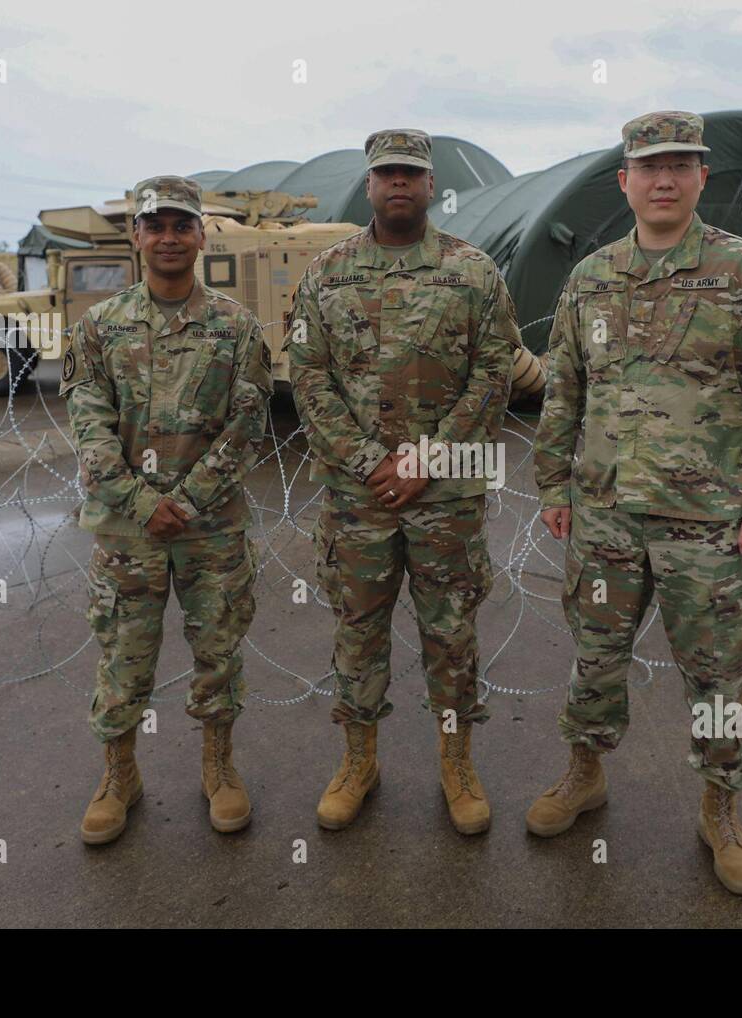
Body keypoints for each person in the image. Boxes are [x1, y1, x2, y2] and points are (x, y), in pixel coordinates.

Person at [527, 112, 742, 895]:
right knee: (594, 656)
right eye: (648, 166)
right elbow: (563, 390)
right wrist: (552, 484)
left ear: (701, 179)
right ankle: (584, 773)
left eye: (680, 165)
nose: (663, 179)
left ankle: (721, 810)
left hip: (710, 524)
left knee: (719, 674)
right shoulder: (591, 277)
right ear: (623, 181)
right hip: (604, 518)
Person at [290, 129, 523, 835]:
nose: (399, 184)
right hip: (359, 503)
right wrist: (369, 460)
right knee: (358, 633)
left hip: (445, 500)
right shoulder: (327, 273)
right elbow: (308, 376)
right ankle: (359, 760)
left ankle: (457, 764)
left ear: (430, 186)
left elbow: (493, 371)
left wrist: (430, 458)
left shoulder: (473, 271)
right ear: (369, 184)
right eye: (387, 173)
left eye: (411, 174)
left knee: (450, 637)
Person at [60, 175, 272, 845]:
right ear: (138, 236)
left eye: (183, 225)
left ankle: (219, 769)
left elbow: (247, 425)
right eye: (157, 225)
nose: (170, 237)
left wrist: (183, 502)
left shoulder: (237, 327)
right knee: (124, 655)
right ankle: (119, 776)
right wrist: (140, 504)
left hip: (210, 529)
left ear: (202, 236)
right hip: (129, 531)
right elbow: (88, 425)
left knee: (218, 651)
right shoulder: (100, 326)